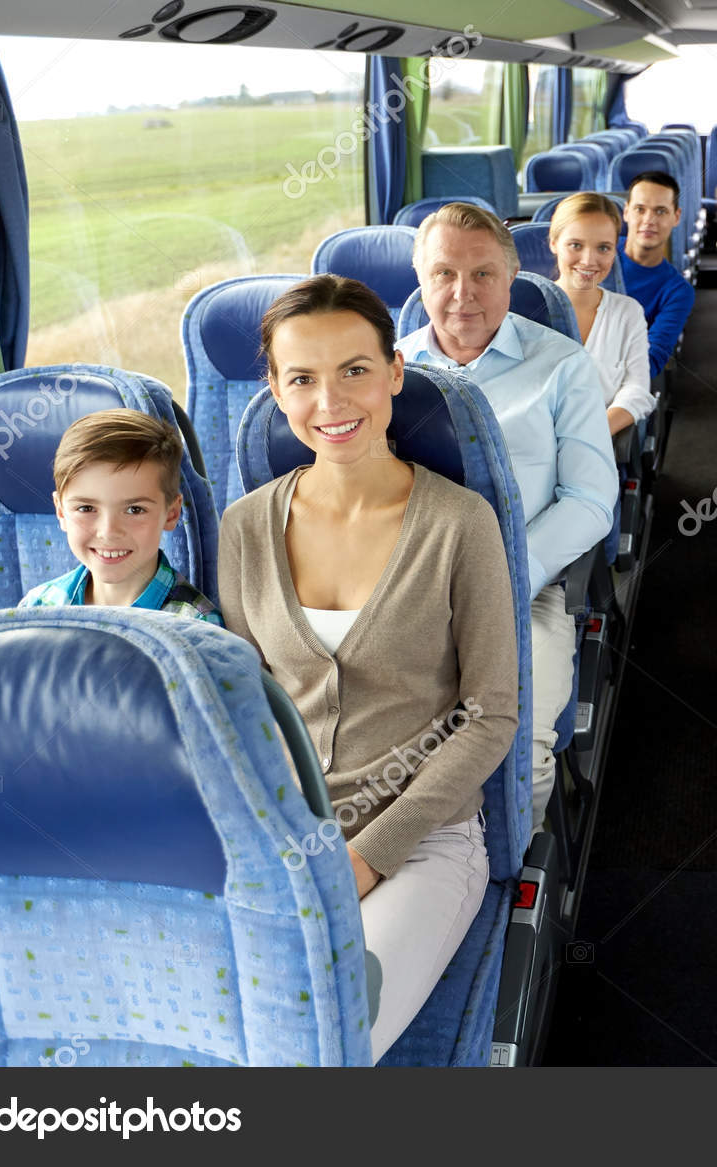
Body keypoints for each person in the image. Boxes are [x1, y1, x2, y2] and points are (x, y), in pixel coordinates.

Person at [215, 274, 519, 1063]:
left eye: (354, 370)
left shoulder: (460, 522)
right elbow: (245, 709)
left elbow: (491, 716)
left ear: (394, 373)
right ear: (276, 392)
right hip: (284, 841)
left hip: (423, 843)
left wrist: (368, 855)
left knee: (323, 1035)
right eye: (303, 379)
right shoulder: (244, 527)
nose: (331, 400)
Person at [398, 201, 617, 829]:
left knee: (524, 757)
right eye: (443, 275)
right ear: (421, 281)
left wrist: (508, 576)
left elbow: (590, 500)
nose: (462, 295)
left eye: (483, 275)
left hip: (526, 587)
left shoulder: (561, 365)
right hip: (409, 592)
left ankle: (511, 887)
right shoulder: (388, 372)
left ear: (512, 275)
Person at [20, 409, 219, 624]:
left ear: (171, 513)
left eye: (134, 510)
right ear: (61, 511)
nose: (108, 531)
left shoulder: (198, 627)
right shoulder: (37, 609)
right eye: (86, 508)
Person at [547, 192, 655, 452]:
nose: (588, 260)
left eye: (603, 248)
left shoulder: (627, 312)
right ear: (554, 243)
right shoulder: (525, 309)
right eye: (575, 245)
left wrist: (592, 435)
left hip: (597, 447)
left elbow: (637, 389)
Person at [619, 169, 697, 379]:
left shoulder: (678, 291)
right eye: (639, 209)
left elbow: (651, 360)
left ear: (676, 217)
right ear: (626, 212)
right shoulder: (597, 255)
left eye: (660, 211)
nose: (649, 220)